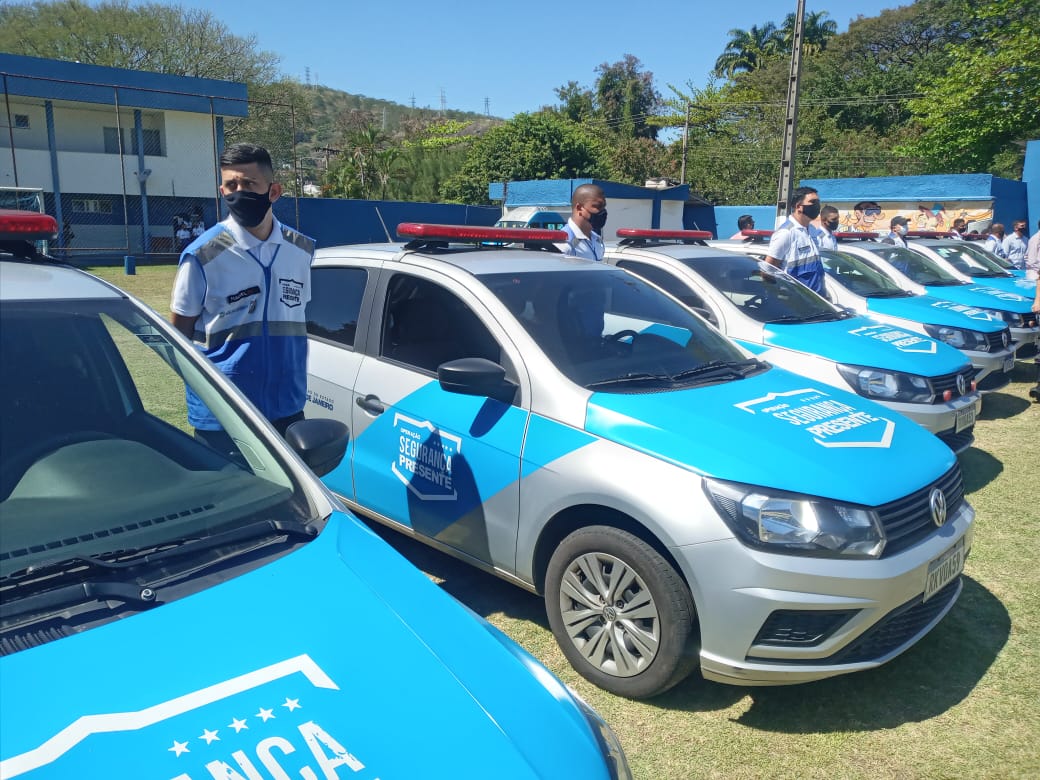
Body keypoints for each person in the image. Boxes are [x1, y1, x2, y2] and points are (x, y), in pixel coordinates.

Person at [170, 142, 315, 450]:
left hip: (285, 406)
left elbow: (297, 318)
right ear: (221, 191)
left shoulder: (300, 251)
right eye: (231, 185)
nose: (239, 192)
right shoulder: (202, 255)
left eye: (249, 184)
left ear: (273, 192)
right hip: (223, 412)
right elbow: (179, 335)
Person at [763, 187, 826, 295]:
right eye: (812, 202)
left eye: (818, 202)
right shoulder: (786, 233)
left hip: (818, 301)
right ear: (798, 207)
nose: (817, 205)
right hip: (797, 303)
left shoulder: (811, 230)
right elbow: (767, 272)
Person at [556, 184, 607, 261]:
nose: (602, 211)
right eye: (597, 206)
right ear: (579, 208)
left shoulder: (597, 239)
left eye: (603, 207)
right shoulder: (565, 243)